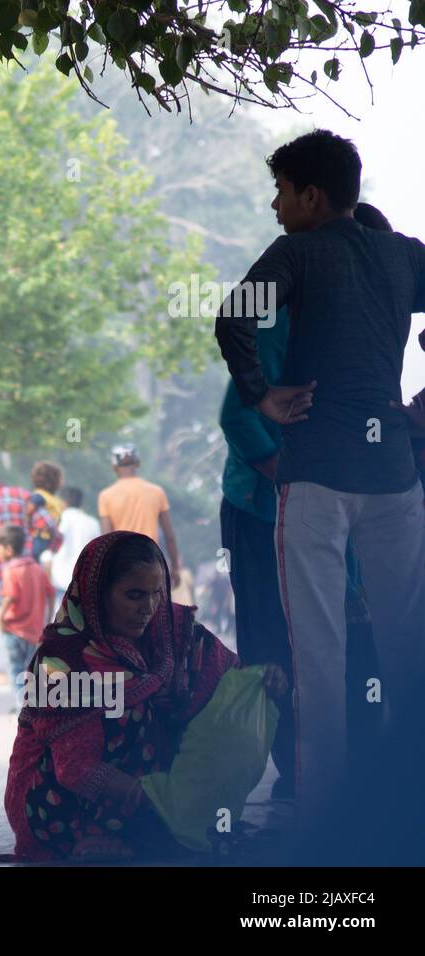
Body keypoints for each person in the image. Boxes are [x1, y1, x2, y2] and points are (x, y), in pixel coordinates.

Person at [214, 129, 425, 828]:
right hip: (395, 478)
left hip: (315, 482)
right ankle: (404, 798)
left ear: (311, 195)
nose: (275, 206)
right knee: (405, 642)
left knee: (320, 655)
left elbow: (231, 318)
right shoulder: (401, 253)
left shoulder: (299, 251)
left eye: (281, 191)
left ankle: (326, 812)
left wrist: (261, 395)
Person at [5, 532, 289, 861]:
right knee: (131, 712)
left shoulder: (174, 630)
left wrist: (264, 682)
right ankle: (101, 834)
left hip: (143, 793)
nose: (149, 608)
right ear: (97, 594)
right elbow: (74, 769)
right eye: (134, 595)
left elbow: (229, 681)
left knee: (199, 698)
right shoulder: (61, 657)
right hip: (53, 804)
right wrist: (162, 803)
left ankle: (142, 830)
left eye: (157, 593)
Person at [0, 450, 56, 670]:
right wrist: (31, 554)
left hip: (0, 580)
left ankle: (17, 688)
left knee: (11, 634)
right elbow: (48, 526)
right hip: (30, 576)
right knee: (32, 635)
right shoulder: (21, 494)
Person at [97, 444, 183, 588]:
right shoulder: (157, 491)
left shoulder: (106, 496)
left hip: (121, 564)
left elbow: (106, 538)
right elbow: (169, 536)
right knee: (151, 606)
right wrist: (175, 568)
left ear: (114, 466)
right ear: (137, 463)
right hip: (151, 560)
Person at [0, 525, 53, 712]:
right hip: (34, 630)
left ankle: (22, 706)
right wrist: (49, 616)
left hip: (14, 629)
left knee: (15, 669)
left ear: (9, 549)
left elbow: (10, 596)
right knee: (30, 670)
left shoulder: (11, 570)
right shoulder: (36, 568)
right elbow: (50, 592)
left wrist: (0, 618)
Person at [48, 486, 101, 608]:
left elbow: (49, 552)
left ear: (63, 502)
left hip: (58, 581)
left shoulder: (57, 522)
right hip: (83, 582)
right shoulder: (92, 523)